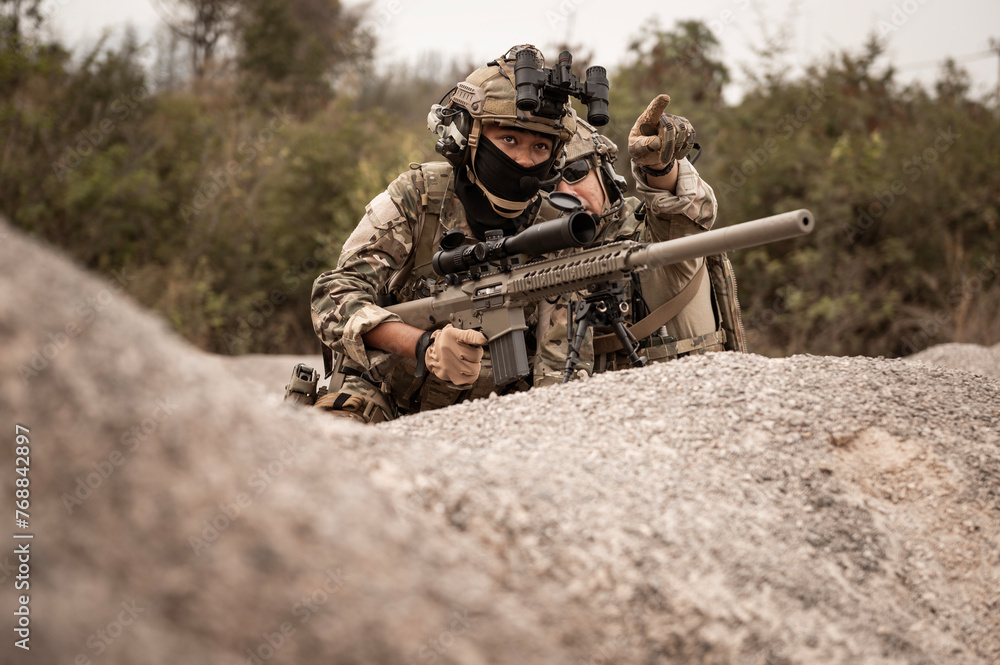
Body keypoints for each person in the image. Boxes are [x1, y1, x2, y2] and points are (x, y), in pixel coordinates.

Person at [308, 45, 732, 423]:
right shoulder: (420, 196)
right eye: (508, 139)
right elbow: (334, 294)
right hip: (386, 394)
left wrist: (661, 170)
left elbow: (667, 238)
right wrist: (422, 345)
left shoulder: (560, 227)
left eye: (541, 148)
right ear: (467, 137)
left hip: (493, 418)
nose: (524, 160)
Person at [532, 98, 746, 386]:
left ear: (605, 173)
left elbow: (683, 208)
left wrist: (659, 166)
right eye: (551, 184)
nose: (566, 191)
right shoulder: (543, 259)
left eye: (575, 173)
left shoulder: (651, 232)